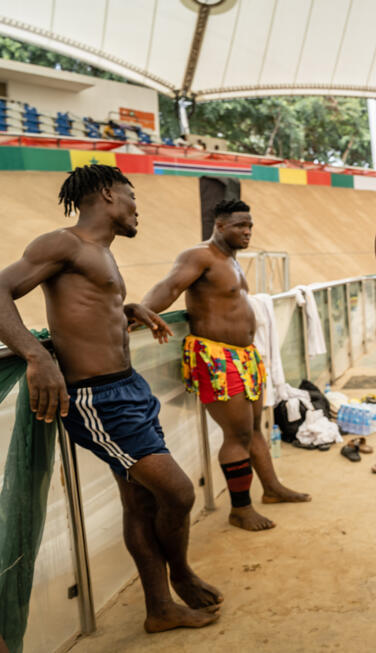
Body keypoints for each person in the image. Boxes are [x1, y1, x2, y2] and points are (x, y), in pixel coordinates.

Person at [0, 165, 222, 632]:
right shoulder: (63, 243)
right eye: (131, 196)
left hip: (128, 387)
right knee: (178, 493)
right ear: (106, 194)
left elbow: (85, 309)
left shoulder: (98, 253)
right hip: (98, 400)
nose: (137, 207)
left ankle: (159, 608)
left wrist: (128, 309)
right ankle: (178, 573)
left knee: (140, 502)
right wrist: (36, 356)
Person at [141, 199, 310, 532]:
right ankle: (240, 509)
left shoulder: (230, 261)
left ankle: (272, 488)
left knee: (255, 428)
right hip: (216, 357)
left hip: (245, 357)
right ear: (219, 226)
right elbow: (170, 287)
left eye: (250, 226)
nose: (247, 232)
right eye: (239, 226)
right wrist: (141, 312)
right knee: (238, 435)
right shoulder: (200, 256)